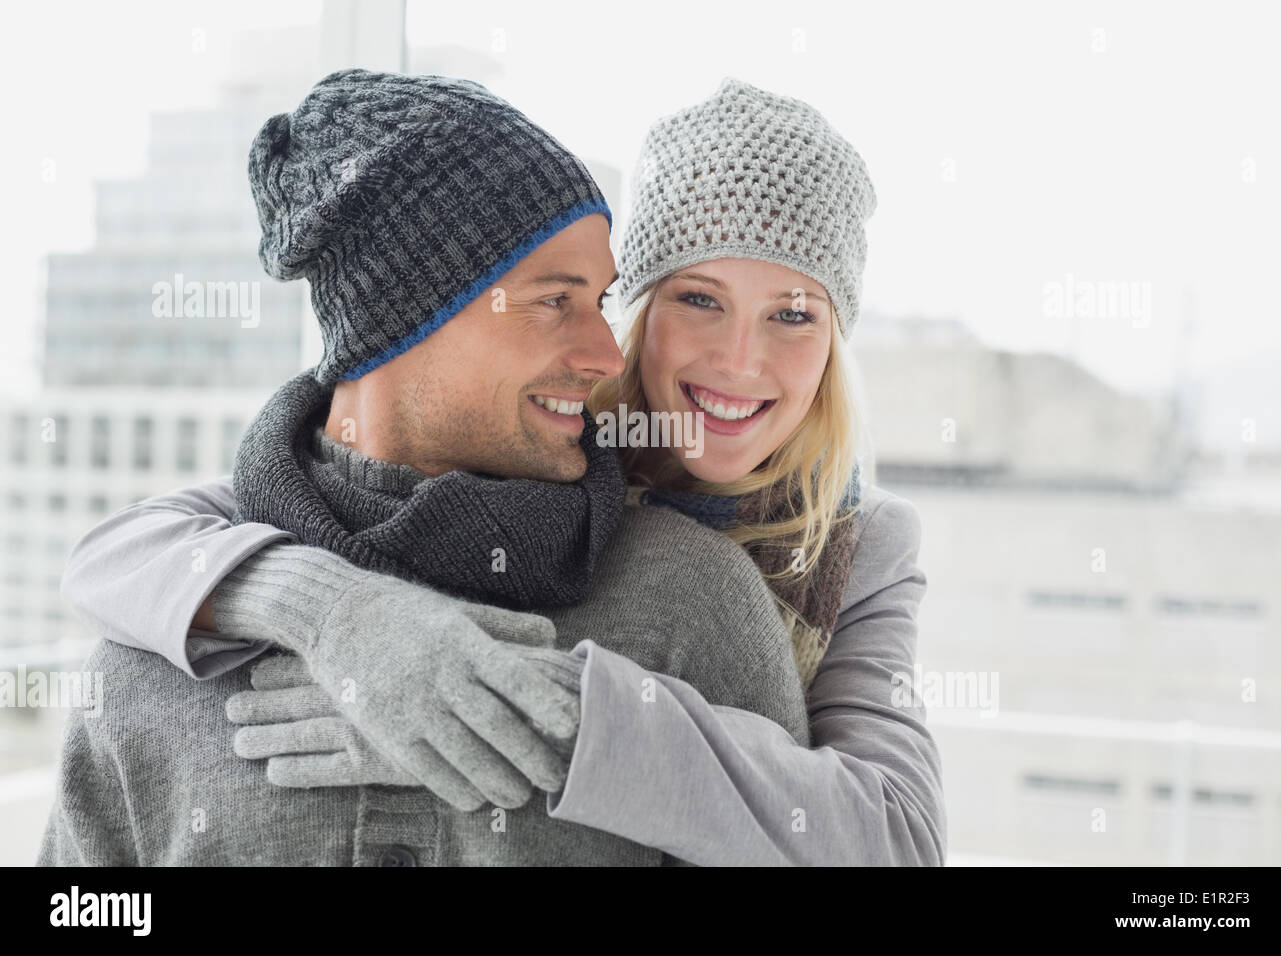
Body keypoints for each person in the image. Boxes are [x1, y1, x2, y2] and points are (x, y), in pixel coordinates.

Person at [48, 74, 946, 866]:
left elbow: (895, 845)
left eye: (794, 314)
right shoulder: (553, 434)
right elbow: (123, 554)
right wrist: (340, 616)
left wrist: (518, 716)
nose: (740, 360)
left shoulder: (808, 561)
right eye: (698, 298)